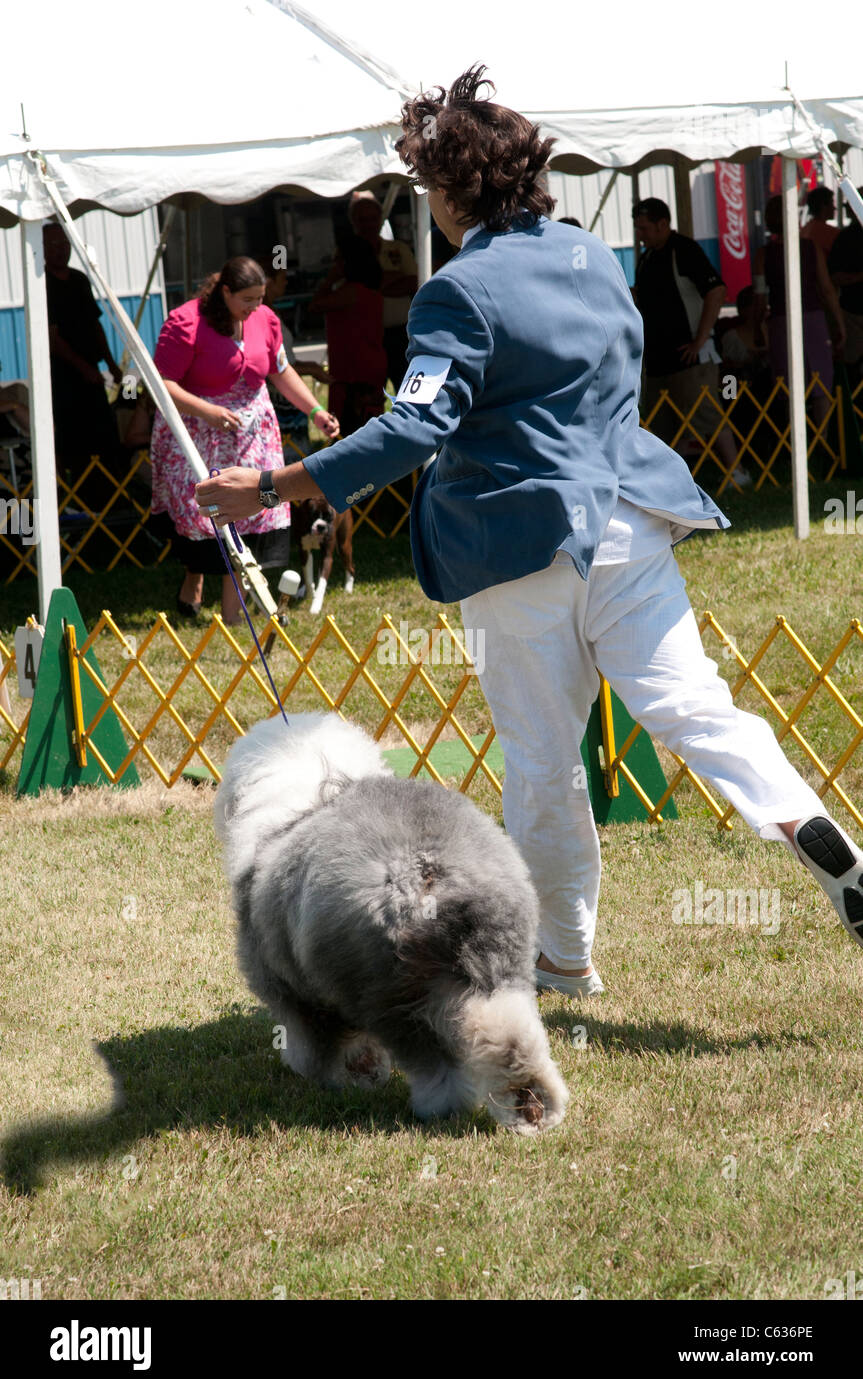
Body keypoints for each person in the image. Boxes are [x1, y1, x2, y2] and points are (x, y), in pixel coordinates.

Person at [197, 67, 863, 994]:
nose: (424, 207)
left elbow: (413, 427)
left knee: (545, 767)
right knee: (700, 712)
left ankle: (566, 960)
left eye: (426, 189)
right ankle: (804, 821)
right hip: (629, 522)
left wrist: (276, 483)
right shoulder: (595, 258)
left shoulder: (455, 292)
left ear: (454, 192)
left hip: (519, 552)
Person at [150, 256, 338, 622]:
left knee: (253, 507)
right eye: (248, 299)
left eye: (260, 298)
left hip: (254, 434)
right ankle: (194, 580)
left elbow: (281, 372)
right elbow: (162, 385)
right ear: (225, 292)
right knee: (202, 517)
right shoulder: (185, 322)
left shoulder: (266, 320)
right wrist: (209, 412)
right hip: (198, 431)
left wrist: (315, 411)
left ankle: (234, 615)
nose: (256, 306)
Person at [632, 198, 747, 487]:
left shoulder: (684, 249)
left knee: (709, 414)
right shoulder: (646, 258)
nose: (640, 235)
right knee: (664, 425)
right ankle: (670, 481)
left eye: (644, 228)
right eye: (637, 229)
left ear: (663, 224)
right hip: (658, 359)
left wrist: (700, 339)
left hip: (691, 357)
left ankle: (738, 472)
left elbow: (717, 290)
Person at [43, 222, 123, 500]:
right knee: (73, 437)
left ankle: (113, 493)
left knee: (104, 431)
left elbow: (95, 324)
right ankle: (79, 498)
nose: (60, 250)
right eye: (52, 245)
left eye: (64, 244)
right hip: (63, 376)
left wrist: (111, 364)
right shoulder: (42, 283)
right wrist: (83, 368)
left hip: (93, 372)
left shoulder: (79, 280)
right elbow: (52, 337)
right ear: (41, 249)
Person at [753, 195, 845, 434]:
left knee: (788, 385)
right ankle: (822, 441)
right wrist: (839, 323)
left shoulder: (763, 255)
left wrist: (756, 327)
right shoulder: (811, 248)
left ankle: (796, 441)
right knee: (820, 381)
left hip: (781, 322)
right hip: (813, 318)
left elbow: (760, 298)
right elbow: (826, 289)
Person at [309, 231, 387, 437]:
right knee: (369, 426)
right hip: (366, 363)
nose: (335, 264)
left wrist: (329, 279)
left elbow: (314, 305)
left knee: (349, 429)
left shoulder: (351, 291)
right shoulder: (370, 289)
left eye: (338, 259)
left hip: (354, 370)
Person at [349, 192, 418, 390]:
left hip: (400, 333)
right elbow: (355, 288)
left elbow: (413, 282)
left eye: (372, 218)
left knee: (406, 388)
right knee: (369, 395)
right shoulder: (348, 254)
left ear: (380, 219)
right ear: (354, 222)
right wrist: (392, 278)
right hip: (365, 334)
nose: (368, 224)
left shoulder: (398, 249)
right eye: (363, 220)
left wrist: (375, 285)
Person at [261, 260, 329, 458]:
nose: (286, 283)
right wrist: (312, 369)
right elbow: (278, 366)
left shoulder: (273, 313)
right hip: (280, 401)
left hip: (289, 400)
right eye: (282, 279)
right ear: (269, 282)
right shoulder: (262, 317)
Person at [829, 191, 863, 380]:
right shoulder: (845, 238)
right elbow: (834, 277)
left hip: (851, 308)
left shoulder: (844, 237)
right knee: (852, 365)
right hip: (852, 311)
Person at [801, 185, 840, 257]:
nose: (834, 208)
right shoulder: (831, 233)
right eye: (832, 203)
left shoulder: (804, 230)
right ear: (823, 206)